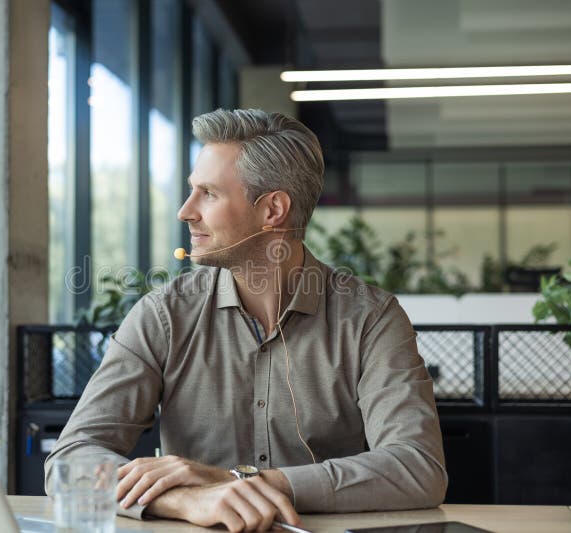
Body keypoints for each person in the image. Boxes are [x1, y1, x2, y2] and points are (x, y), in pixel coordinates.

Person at [45, 108, 447, 532]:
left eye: (209, 194)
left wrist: (243, 482)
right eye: (191, 191)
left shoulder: (369, 319)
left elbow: (418, 466)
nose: (185, 211)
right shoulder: (164, 315)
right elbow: (73, 458)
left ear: (272, 209)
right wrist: (188, 500)